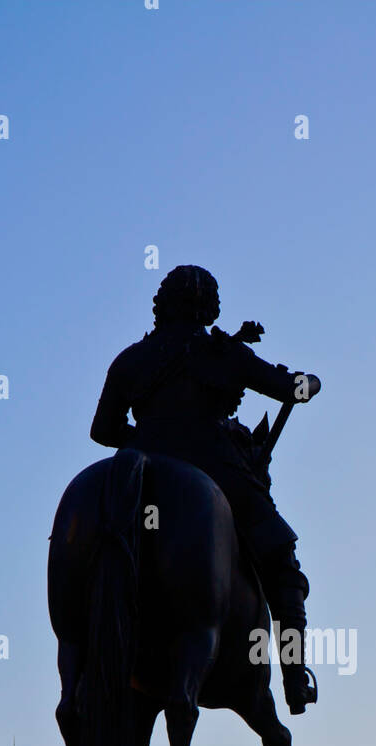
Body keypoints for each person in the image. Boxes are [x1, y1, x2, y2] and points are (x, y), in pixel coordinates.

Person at [90, 265, 319, 714]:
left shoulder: (130, 359)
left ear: (161, 304)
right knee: (284, 568)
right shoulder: (224, 353)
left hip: (141, 467)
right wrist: (312, 381)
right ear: (210, 308)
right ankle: (295, 676)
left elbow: (102, 430)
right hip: (220, 470)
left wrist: (147, 438)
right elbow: (289, 389)